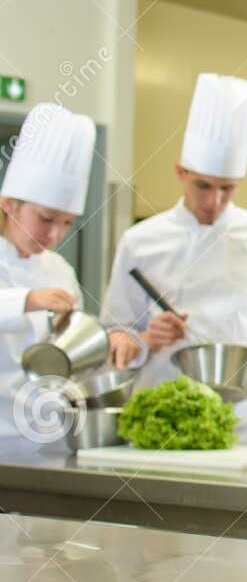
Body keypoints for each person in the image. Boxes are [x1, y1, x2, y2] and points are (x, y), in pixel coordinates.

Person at [101, 75, 247, 445]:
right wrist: (146, 338)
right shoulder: (140, 240)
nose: (214, 201)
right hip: (160, 415)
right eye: (203, 186)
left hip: (241, 422)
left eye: (227, 188)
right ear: (181, 172)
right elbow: (115, 332)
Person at [1, 103, 143, 443]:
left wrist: (106, 345)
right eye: (46, 218)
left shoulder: (59, 270)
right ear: (9, 203)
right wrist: (27, 301)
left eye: (67, 223)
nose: (54, 236)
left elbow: (72, 359)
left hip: (46, 435)